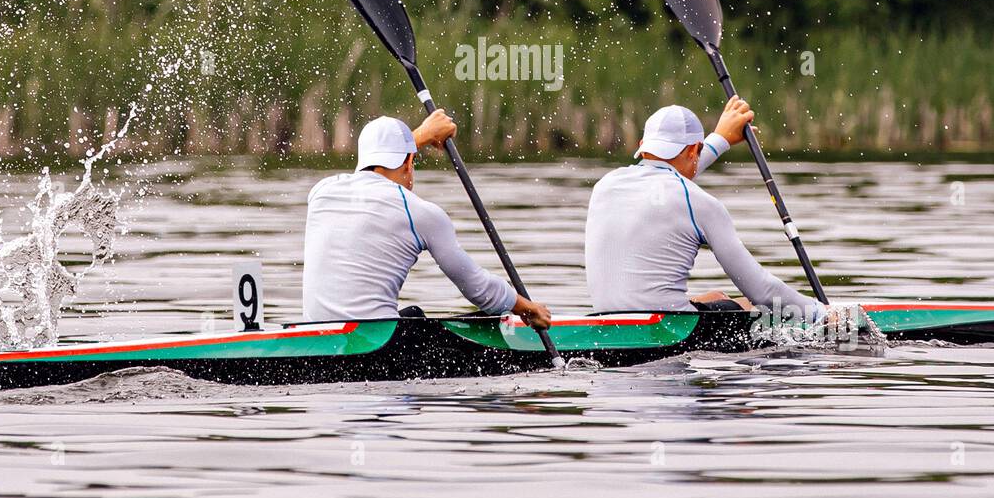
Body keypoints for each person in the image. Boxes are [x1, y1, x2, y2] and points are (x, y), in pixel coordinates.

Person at [301, 111, 552, 327]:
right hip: (376, 349)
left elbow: (388, 162)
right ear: (410, 162)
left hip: (315, 338)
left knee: (410, 316)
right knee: (420, 318)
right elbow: (477, 288)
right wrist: (528, 309)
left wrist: (420, 136)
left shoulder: (322, 191)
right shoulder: (419, 212)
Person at [584, 97, 826, 322]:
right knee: (752, 306)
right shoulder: (699, 202)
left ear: (642, 145)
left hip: (610, 320)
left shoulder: (607, 184)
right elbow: (761, 290)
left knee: (716, 297)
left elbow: (669, 178)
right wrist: (820, 312)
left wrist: (720, 139)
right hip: (669, 334)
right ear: (693, 150)